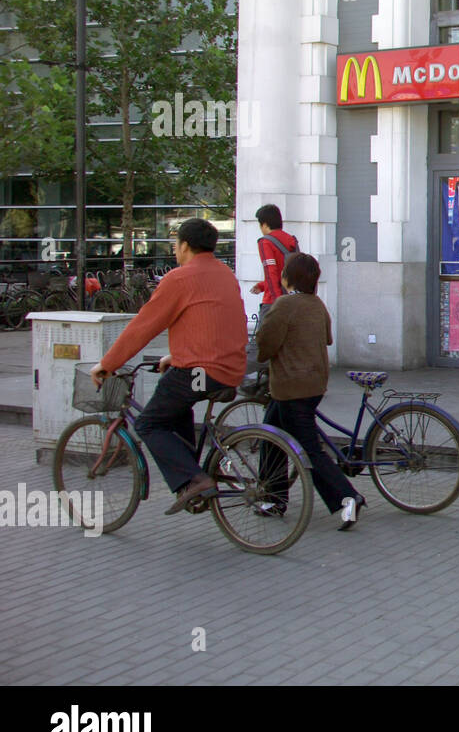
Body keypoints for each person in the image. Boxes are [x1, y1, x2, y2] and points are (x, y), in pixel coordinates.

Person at [92, 218, 247, 514]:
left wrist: (108, 364)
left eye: (175, 244)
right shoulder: (225, 274)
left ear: (184, 245)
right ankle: (193, 480)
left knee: (149, 423)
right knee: (177, 400)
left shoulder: (179, 278)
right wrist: (175, 358)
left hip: (202, 373)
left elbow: (143, 326)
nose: (175, 249)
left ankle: (193, 479)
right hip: (228, 370)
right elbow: (211, 327)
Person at [255, 252, 364, 529]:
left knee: (309, 450)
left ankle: (347, 497)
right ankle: (272, 497)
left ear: (288, 277)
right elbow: (327, 338)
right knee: (271, 435)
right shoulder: (317, 304)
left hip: (291, 387)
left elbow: (266, 344)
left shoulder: (284, 305)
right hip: (313, 385)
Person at [250, 204, 298, 314]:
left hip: (273, 301)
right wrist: (262, 285)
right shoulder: (292, 239)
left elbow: (271, 272)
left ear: (265, 224)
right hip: (293, 298)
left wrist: (278, 302)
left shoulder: (265, 242)